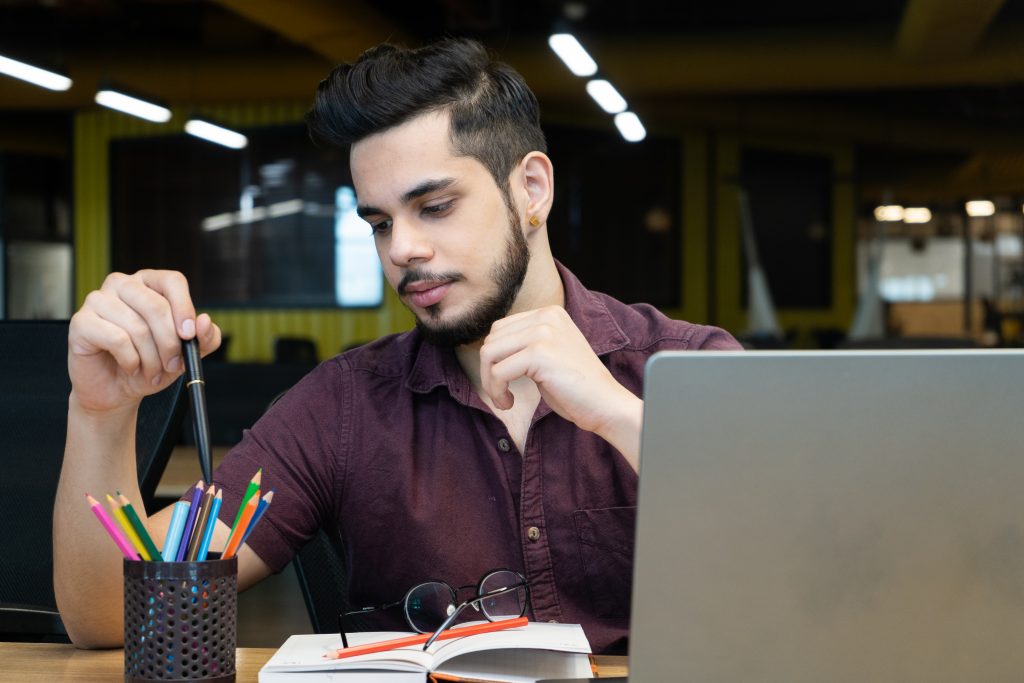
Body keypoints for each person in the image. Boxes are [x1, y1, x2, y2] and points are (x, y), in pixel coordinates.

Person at [53, 38, 741, 653]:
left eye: (435, 206)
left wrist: (619, 415)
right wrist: (100, 412)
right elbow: (109, 615)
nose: (402, 249)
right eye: (379, 222)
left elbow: (823, 569)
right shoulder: (343, 405)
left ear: (531, 188)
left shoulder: (687, 367)